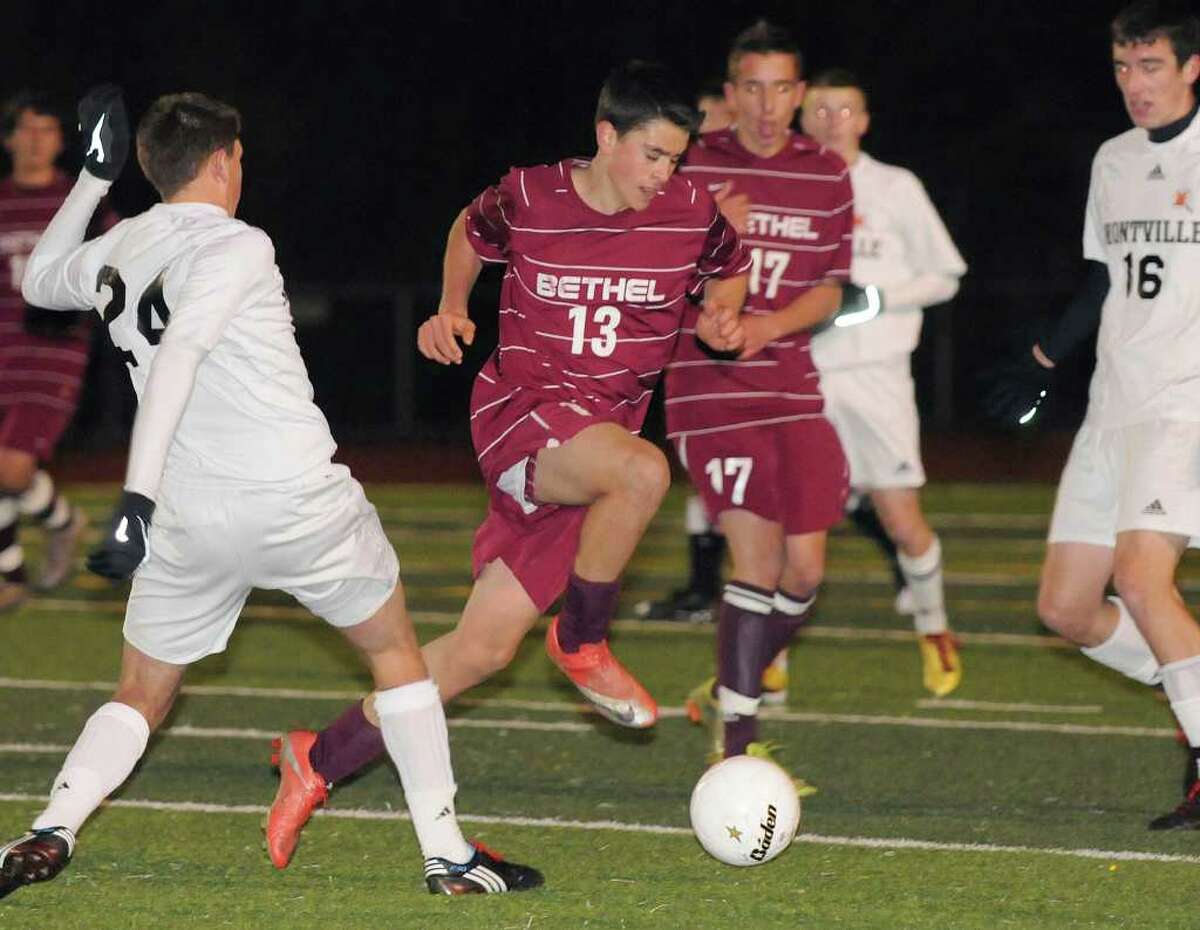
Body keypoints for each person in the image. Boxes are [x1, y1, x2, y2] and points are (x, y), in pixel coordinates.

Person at [0, 87, 541, 899]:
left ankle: (50, 828)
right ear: (222, 161)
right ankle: (447, 855)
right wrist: (133, 500)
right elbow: (180, 354)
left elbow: (41, 280)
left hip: (189, 513)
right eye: (241, 157)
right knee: (397, 655)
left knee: (142, 694)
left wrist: (89, 179)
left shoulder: (123, 244)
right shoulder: (238, 244)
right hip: (291, 498)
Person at [259, 60, 749, 870]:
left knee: (476, 653)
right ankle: (582, 640)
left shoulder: (693, 212)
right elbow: (468, 231)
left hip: (592, 456)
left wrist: (724, 317)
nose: (666, 176)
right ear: (605, 137)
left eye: (676, 159)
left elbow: (728, 269)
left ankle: (317, 759)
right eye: (654, 155)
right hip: (522, 420)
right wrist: (453, 305)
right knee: (645, 474)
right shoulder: (530, 194)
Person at [988, 0, 1200, 830]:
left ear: (1191, 66)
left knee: (1144, 582)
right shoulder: (1112, 160)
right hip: (1111, 404)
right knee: (1067, 609)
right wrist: (1043, 358)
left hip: (1182, 403)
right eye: (1122, 66)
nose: (1134, 84)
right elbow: (1108, 279)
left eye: (1150, 66)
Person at [667, 21, 853, 775]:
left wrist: (770, 322)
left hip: (794, 387)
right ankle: (736, 747)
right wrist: (707, 240)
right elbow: (649, 274)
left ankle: (731, 684)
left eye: (782, 88)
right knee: (758, 558)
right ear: (730, 91)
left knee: (805, 571)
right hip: (710, 392)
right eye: (752, 87)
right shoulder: (694, 167)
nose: (767, 105)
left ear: (800, 94)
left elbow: (833, 289)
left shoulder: (829, 172)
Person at [801, 69, 968, 697]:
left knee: (901, 519)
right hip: (803, 378)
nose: (831, 120)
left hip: (878, 379)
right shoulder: (789, 189)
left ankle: (934, 627)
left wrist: (872, 298)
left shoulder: (895, 187)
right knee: (791, 522)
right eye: (819, 109)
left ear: (864, 120)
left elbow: (946, 275)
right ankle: (770, 654)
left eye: (844, 109)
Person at [0, 91, 114, 611]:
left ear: (60, 141)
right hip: (4, 348)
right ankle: (11, 574)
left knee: (13, 468)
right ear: (9, 138)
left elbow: (120, 257)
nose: (36, 139)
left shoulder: (78, 200)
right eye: (26, 128)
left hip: (54, 352)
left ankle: (62, 523)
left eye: (47, 130)